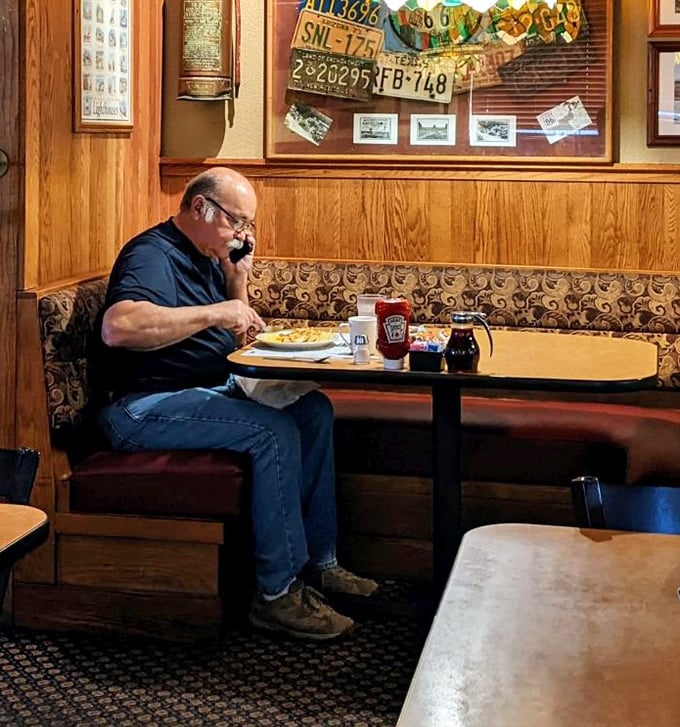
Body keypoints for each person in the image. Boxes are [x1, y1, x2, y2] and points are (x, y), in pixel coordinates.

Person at [97, 167, 378, 640]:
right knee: (272, 430)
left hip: (205, 391)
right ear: (202, 208)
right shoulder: (151, 254)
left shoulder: (210, 255)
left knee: (312, 411)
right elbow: (118, 327)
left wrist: (235, 282)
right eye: (238, 223)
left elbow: (239, 335)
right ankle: (276, 594)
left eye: (249, 227)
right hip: (142, 407)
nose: (243, 236)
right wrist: (217, 310)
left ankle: (321, 564)